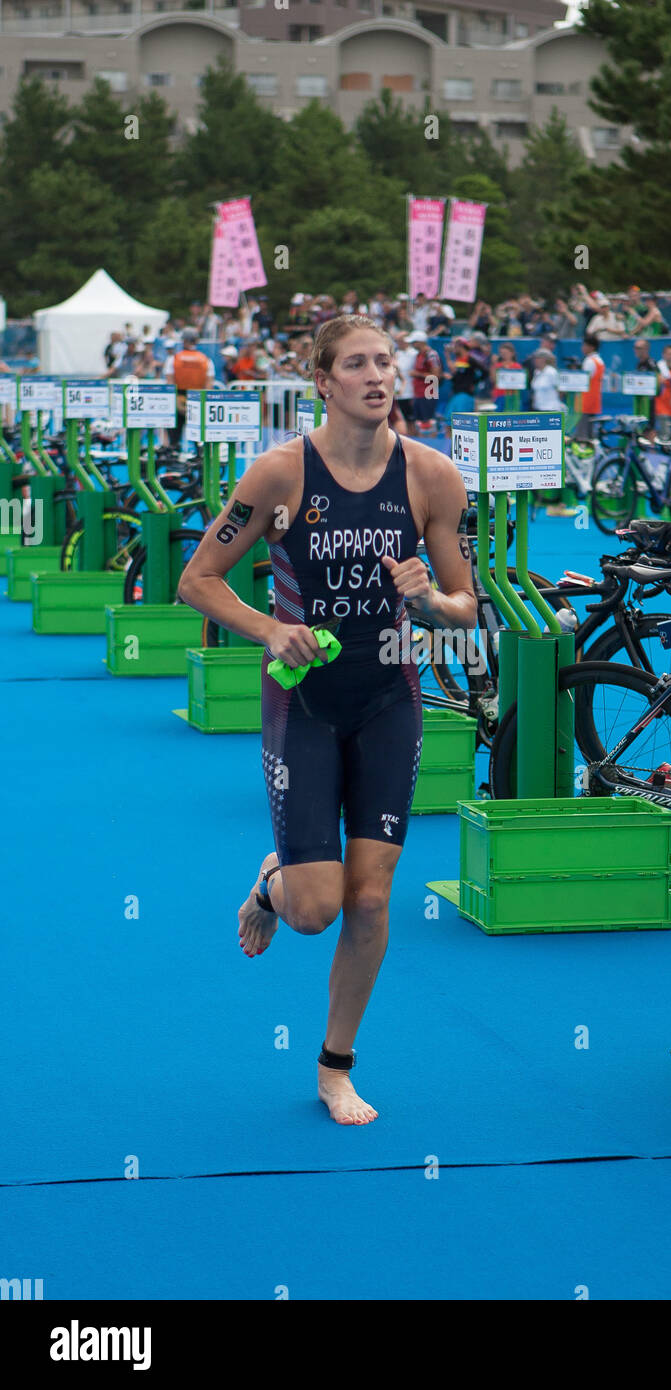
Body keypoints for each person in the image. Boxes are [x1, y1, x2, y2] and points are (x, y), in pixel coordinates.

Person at [176, 315, 476, 1126]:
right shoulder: (278, 474)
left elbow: (466, 608)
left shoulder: (432, 478)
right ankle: (274, 885)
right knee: (318, 909)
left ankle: (335, 1065)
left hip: (388, 699)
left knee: (372, 899)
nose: (377, 376)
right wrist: (271, 627)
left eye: (386, 361)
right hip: (302, 700)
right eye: (357, 364)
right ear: (323, 381)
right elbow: (197, 580)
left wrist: (427, 601)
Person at [163, 327, 215, 447]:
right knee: (199, 439)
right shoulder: (206, 360)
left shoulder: (173, 359)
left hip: (178, 400)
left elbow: (170, 383)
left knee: (174, 438)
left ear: (184, 341)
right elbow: (208, 386)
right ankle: (201, 460)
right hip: (197, 401)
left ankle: (174, 458)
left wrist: (177, 403)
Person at [577, 332, 605, 441]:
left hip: (585, 402)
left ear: (591, 347)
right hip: (593, 401)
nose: (582, 348)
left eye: (584, 345)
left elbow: (582, 382)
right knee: (590, 432)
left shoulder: (589, 361)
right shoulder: (599, 361)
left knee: (583, 435)